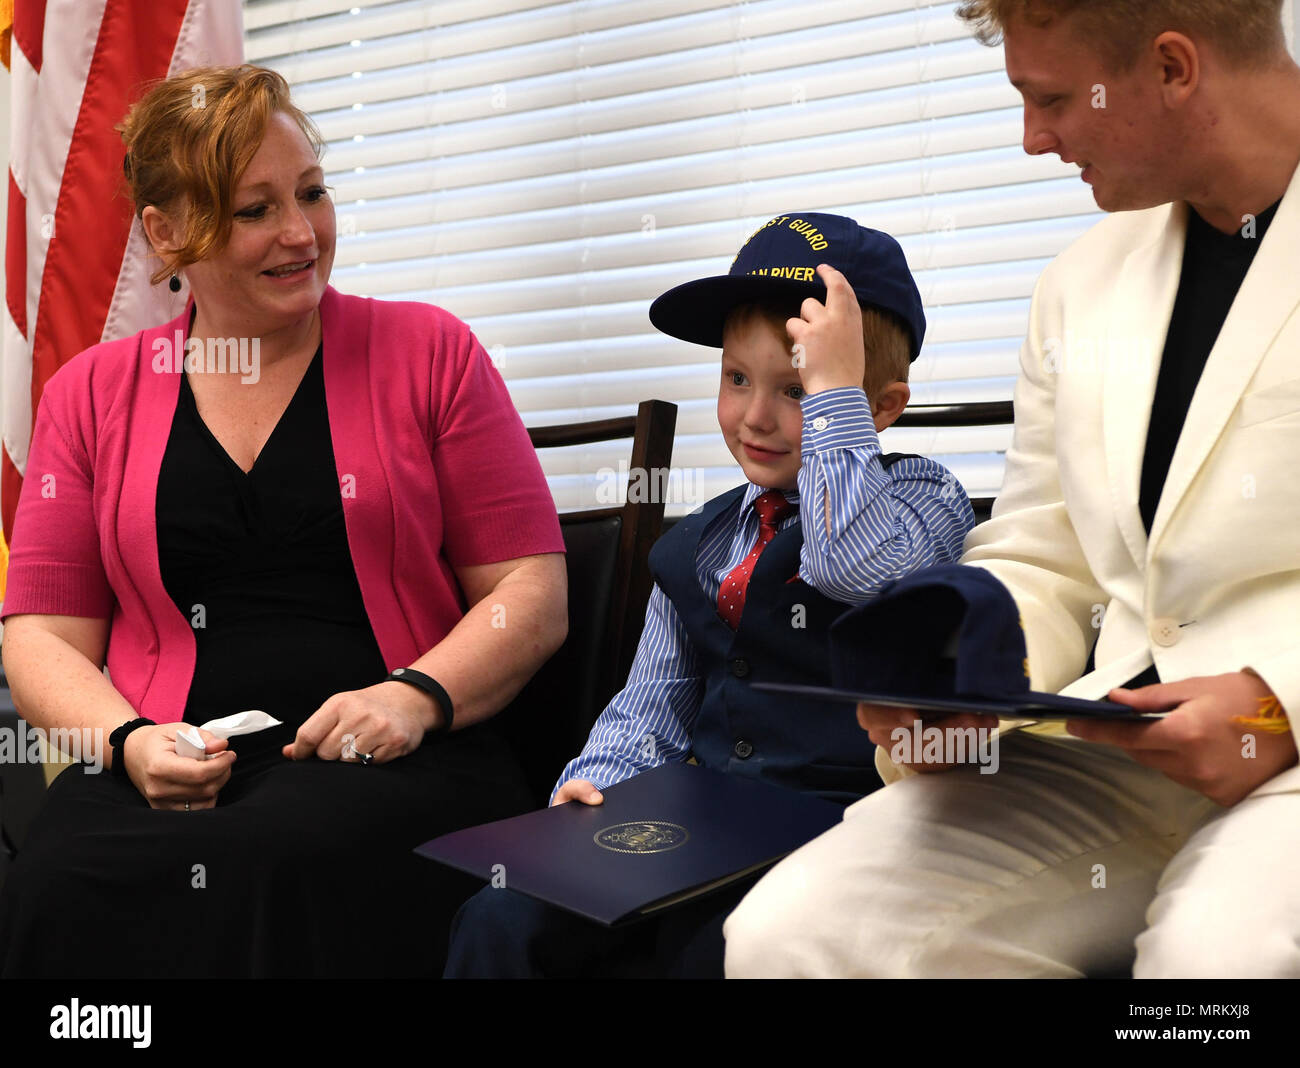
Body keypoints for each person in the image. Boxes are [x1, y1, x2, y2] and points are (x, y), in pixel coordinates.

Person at [723, 0, 1300, 979]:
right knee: (789, 935)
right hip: (1114, 741)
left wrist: (1272, 708)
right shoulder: (1076, 286)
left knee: (1217, 967)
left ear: (1170, 67)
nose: (1034, 140)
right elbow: (1042, 551)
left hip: (1280, 737)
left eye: (1055, 100)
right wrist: (958, 684)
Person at [0, 65, 568, 978]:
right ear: (168, 232)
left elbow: (529, 591)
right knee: (52, 881)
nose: (301, 234)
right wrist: (128, 742)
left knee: (261, 859)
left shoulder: (432, 353)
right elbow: (42, 641)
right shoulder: (89, 396)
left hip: (399, 763)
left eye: (311, 193)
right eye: (254, 210)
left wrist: (413, 695)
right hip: (168, 767)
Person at [442, 212, 976, 978]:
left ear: (880, 407)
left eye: (795, 389)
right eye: (736, 379)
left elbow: (851, 568)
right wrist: (595, 783)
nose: (755, 416)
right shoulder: (702, 538)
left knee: (713, 948)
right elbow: (653, 699)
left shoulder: (922, 498)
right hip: (699, 825)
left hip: (843, 828)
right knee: (504, 916)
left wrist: (833, 402)